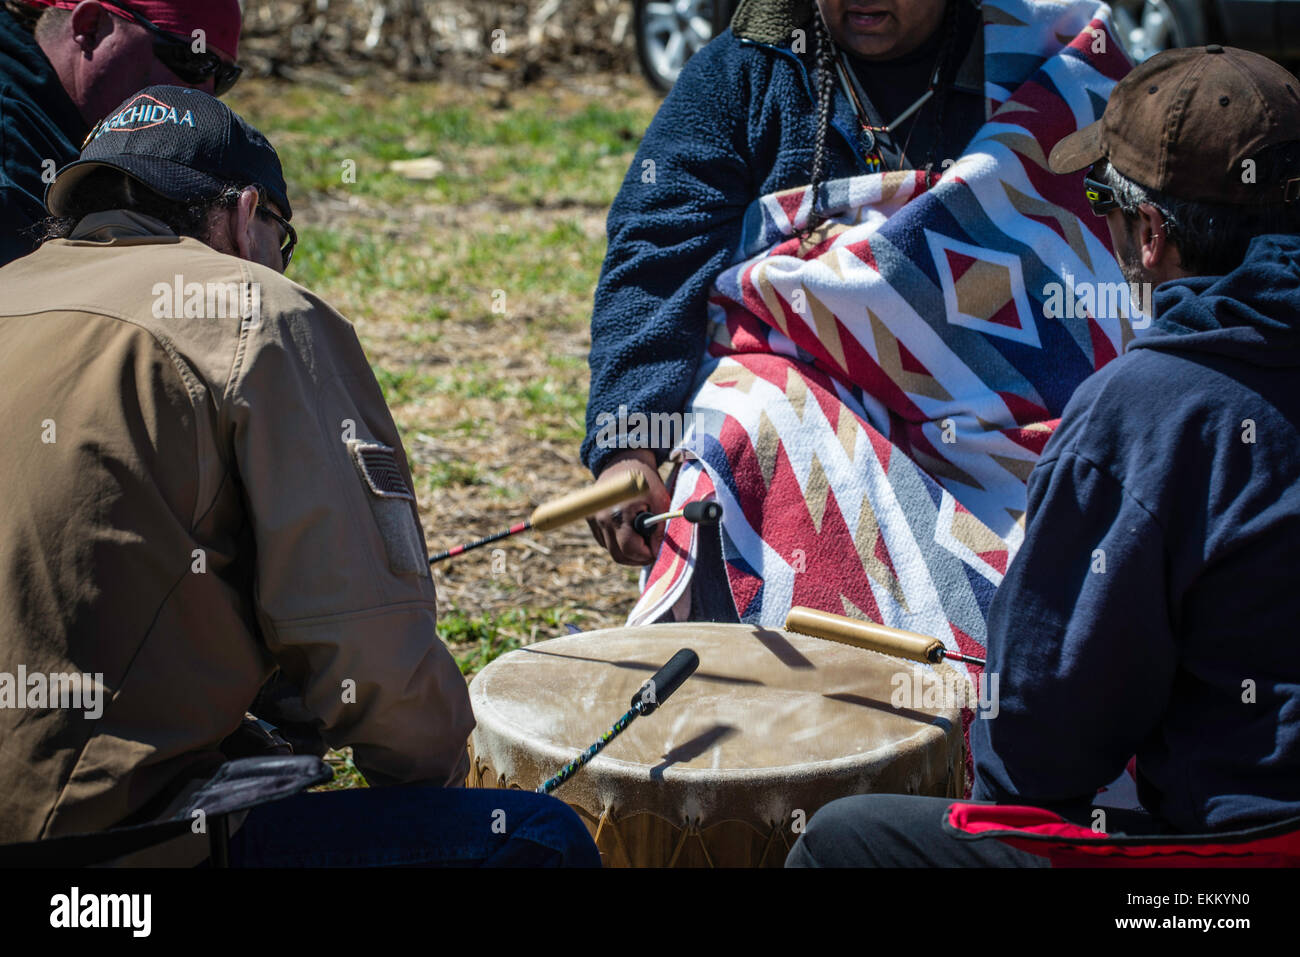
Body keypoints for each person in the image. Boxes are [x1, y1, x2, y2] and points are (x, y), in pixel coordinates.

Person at [0, 85, 599, 867]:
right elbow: (368, 643)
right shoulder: (253, 309)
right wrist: (431, 783)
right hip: (98, 867)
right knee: (533, 842)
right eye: (283, 240)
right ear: (248, 216)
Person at [786, 46, 1300, 866]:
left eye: (1105, 200)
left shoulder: (1148, 410)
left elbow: (1037, 761)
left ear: (1154, 233)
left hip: (1236, 869)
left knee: (843, 845)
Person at [585, 0, 984, 570]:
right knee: (748, 425)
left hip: (986, 414)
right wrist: (628, 443)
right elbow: (657, 255)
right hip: (807, 420)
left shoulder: (1026, 69)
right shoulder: (744, 72)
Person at [0, 0, 243, 266]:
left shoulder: (60, 128)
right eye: (193, 61)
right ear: (90, 27)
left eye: (223, 77)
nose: (205, 94)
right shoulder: (9, 149)